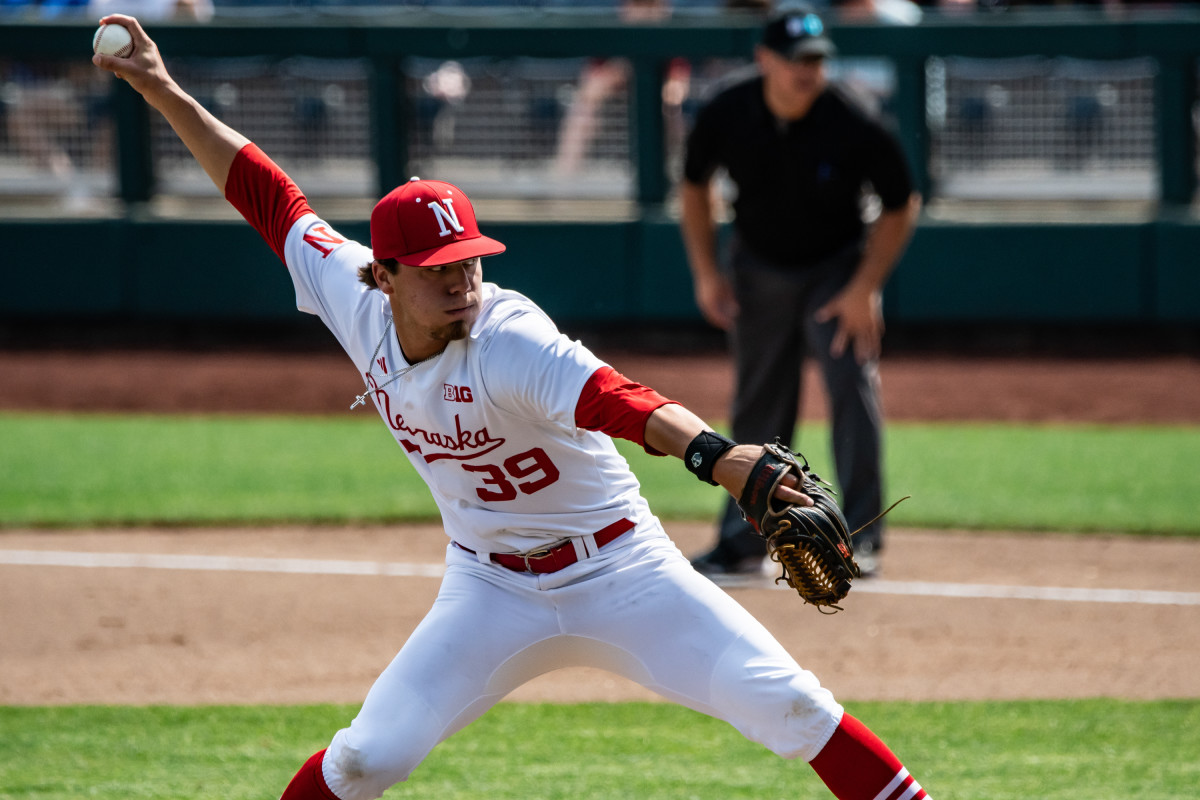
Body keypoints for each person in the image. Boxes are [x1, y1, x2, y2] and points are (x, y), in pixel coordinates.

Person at [92, 15, 934, 800]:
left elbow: (617, 400)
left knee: (794, 708)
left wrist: (715, 455)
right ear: (384, 275)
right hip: (489, 591)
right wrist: (163, 87)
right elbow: (268, 197)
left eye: (470, 260)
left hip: (623, 573)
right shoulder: (348, 294)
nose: (462, 280)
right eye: (438, 268)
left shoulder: (509, 334)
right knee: (362, 758)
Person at [678, 0, 921, 579]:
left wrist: (865, 287)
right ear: (765, 59)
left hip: (835, 271)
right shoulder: (728, 111)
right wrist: (707, 273)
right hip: (758, 269)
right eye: (795, 60)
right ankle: (742, 540)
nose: (807, 71)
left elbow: (900, 202)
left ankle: (859, 536)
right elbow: (693, 186)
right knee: (760, 403)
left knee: (851, 390)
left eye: (815, 59)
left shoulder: (852, 116)